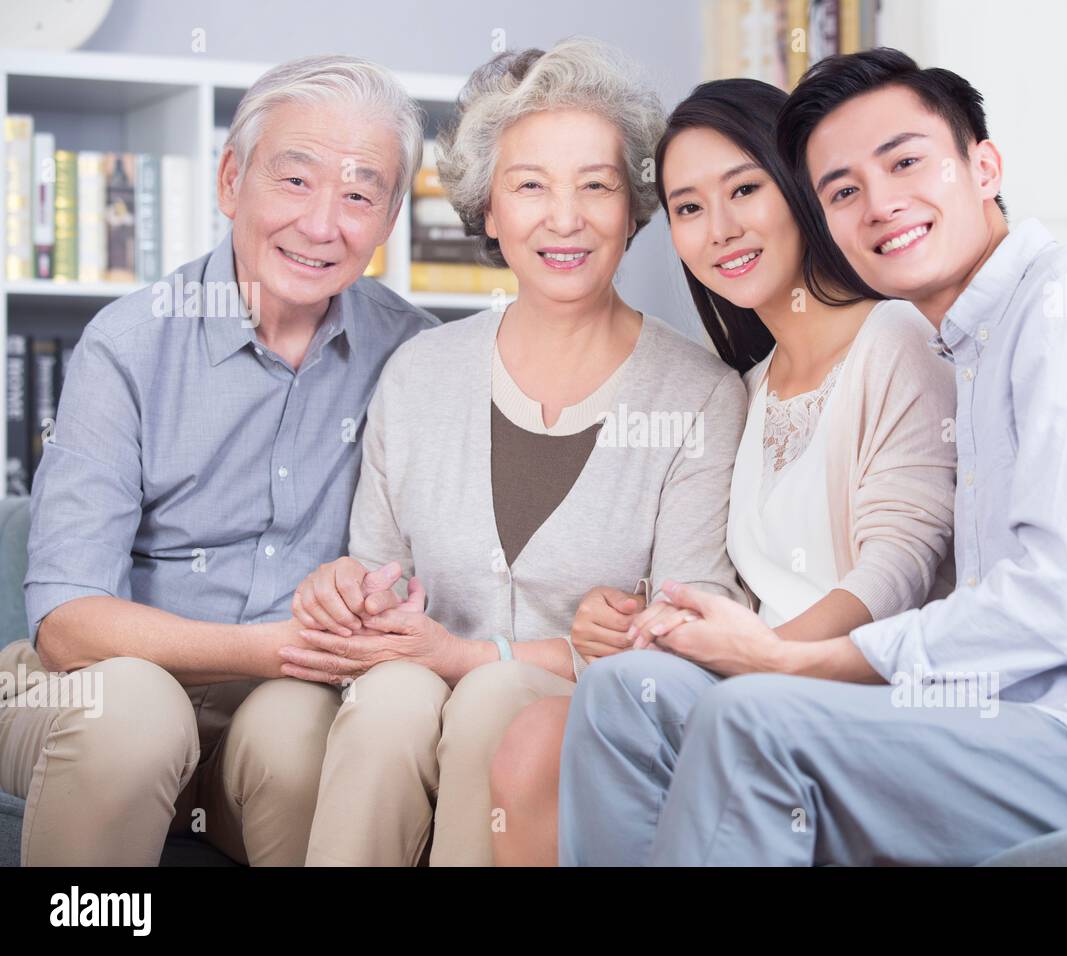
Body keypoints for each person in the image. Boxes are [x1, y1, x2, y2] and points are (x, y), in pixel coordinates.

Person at [557, 47, 1067, 866]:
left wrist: (791, 660)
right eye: (844, 191)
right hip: (1013, 718)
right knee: (625, 695)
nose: (880, 206)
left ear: (984, 165)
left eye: (906, 161)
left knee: (752, 722)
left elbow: (1057, 600)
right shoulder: (967, 347)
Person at [285, 37, 747, 867]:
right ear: (488, 211)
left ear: (634, 208)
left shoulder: (701, 395)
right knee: (387, 699)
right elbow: (379, 577)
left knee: (496, 692)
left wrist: (477, 656)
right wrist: (351, 595)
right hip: (410, 696)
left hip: (573, 728)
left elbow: (686, 638)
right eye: (530, 186)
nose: (563, 218)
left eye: (595, 187)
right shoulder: (419, 374)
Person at [489, 77, 956, 866]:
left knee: (608, 700)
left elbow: (898, 572)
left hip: (856, 684)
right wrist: (640, 612)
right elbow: (736, 585)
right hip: (752, 682)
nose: (722, 229)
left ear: (803, 188)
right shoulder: (745, 387)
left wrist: (759, 658)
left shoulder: (895, 339)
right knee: (545, 727)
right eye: (689, 208)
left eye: (746, 188)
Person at [0, 54, 436, 865]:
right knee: (134, 712)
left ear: (389, 218)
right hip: (94, 690)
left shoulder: (417, 358)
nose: (321, 225)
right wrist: (274, 647)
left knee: (301, 729)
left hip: (285, 703)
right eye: (295, 181)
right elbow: (66, 625)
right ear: (231, 179)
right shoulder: (127, 345)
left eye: (358, 195)